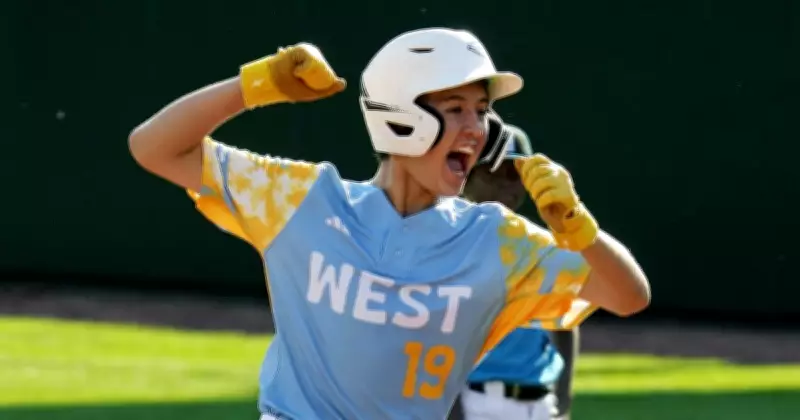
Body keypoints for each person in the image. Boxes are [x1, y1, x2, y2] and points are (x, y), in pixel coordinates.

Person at [128, 27, 650, 420]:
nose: (478, 128)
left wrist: (581, 230)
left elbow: (628, 296)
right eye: (456, 108)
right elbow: (152, 147)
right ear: (401, 115)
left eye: (482, 110)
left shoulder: (497, 240)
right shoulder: (304, 200)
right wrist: (254, 85)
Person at [453, 119, 579, 420]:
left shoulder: (544, 246)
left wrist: (562, 395)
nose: (507, 184)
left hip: (538, 402)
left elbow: (566, 322)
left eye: (515, 173)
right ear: (466, 177)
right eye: (493, 173)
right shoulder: (448, 246)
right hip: (474, 400)